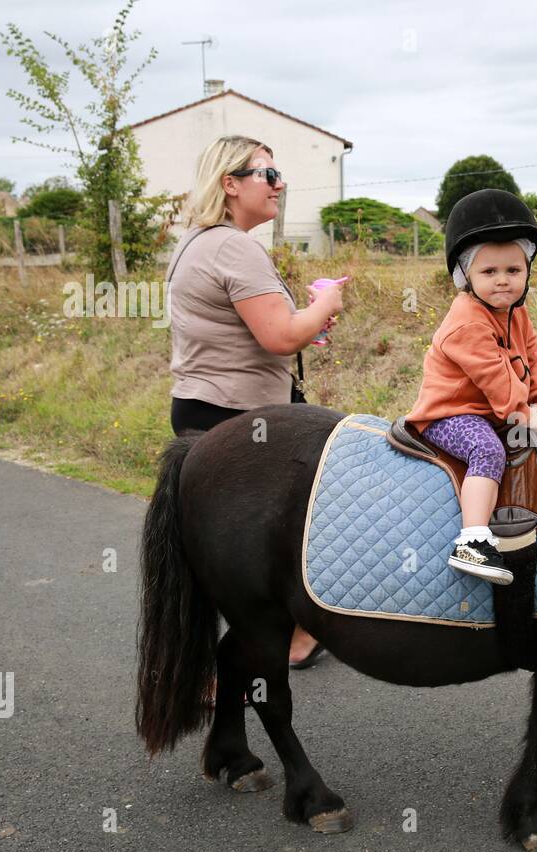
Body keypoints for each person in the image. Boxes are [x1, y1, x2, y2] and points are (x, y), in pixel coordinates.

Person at [167, 133, 344, 669]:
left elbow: (246, 329)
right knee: (282, 533)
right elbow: (278, 337)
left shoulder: (197, 241)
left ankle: (280, 641)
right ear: (230, 184)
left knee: (229, 549)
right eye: (267, 174)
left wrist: (303, 325)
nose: (279, 183)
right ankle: (256, 656)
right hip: (240, 420)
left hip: (204, 407)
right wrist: (324, 303)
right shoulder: (233, 246)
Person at [406, 190, 537, 584]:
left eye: (513, 270)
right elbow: (497, 382)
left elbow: (532, 359)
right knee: (486, 448)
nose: (503, 282)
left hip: (494, 411)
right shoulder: (468, 322)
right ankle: (472, 540)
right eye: (489, 272)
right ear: (466, 276)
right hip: (450, 414)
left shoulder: (517, 311)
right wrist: (524, 414)